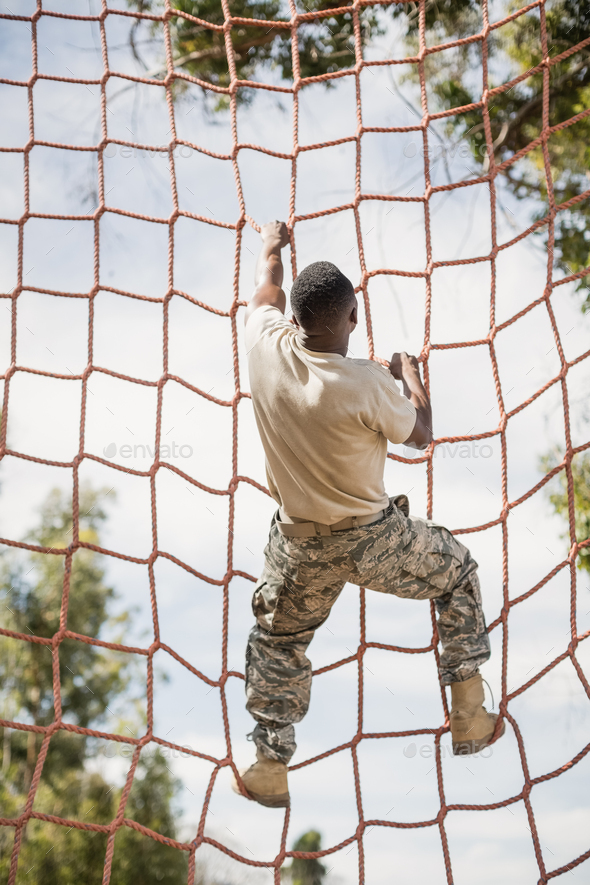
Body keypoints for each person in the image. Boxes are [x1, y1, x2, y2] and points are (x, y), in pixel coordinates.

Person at [232, 220, 504, 808]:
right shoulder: (369, 382)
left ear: (296, 320)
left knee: (278, 642)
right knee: (456, 573)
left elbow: (266, 286)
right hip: (373, 540)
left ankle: (269, 764)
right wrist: (409, 373)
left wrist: (273, 244)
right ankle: (470, 714)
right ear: (351, 319)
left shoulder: (262, 344)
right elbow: (422, 434)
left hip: (299, 545)